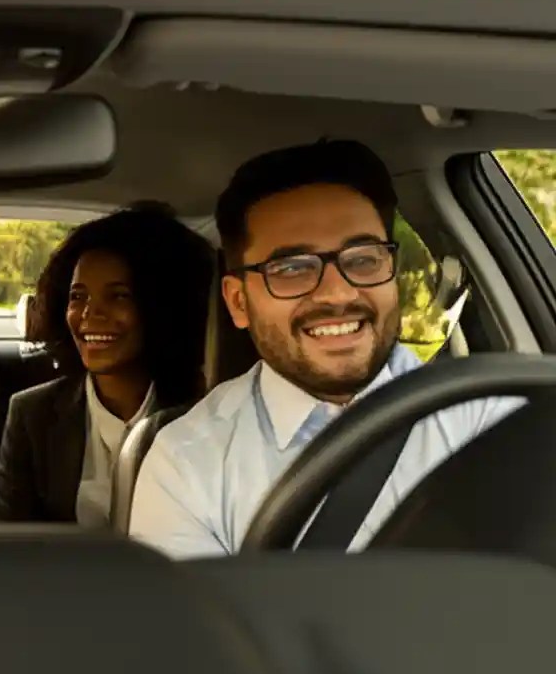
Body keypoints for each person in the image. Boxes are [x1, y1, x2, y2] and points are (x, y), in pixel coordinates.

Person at [129, 139, 519, 558]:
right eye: (292, 269)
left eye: (363, 258)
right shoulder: (187, 462)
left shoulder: (493, 420)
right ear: (239, 302)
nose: (338, 293)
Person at [0, 207, 214, 526]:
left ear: (162, 307)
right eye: (78, 296)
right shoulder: (32, 414)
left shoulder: (205, 410)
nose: (89, 314)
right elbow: (13, 549)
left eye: (119, 296)